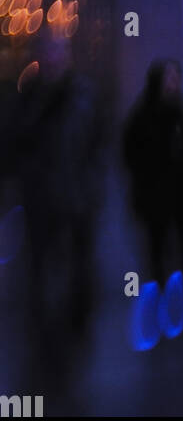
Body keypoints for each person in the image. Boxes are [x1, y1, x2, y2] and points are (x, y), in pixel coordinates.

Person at [14, 36, 104, 393]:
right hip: (41, 197)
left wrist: (91, 183)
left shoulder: (84, 95)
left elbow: (96, 141)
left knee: (77, 263)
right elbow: (17, 140)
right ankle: (44, 329)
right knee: (41, 265)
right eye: (48, 56)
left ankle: (74, 320)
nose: (53, 61)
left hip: (76, 194)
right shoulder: (29, 96)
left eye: (58, 55)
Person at [122, 60, 183, 289]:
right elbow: (131, 155)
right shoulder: (141, 117)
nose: (173, 83)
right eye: (169, 78)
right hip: (153, 196)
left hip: (182, 196)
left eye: (176, 78)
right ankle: (162, 289)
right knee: (156, 247)